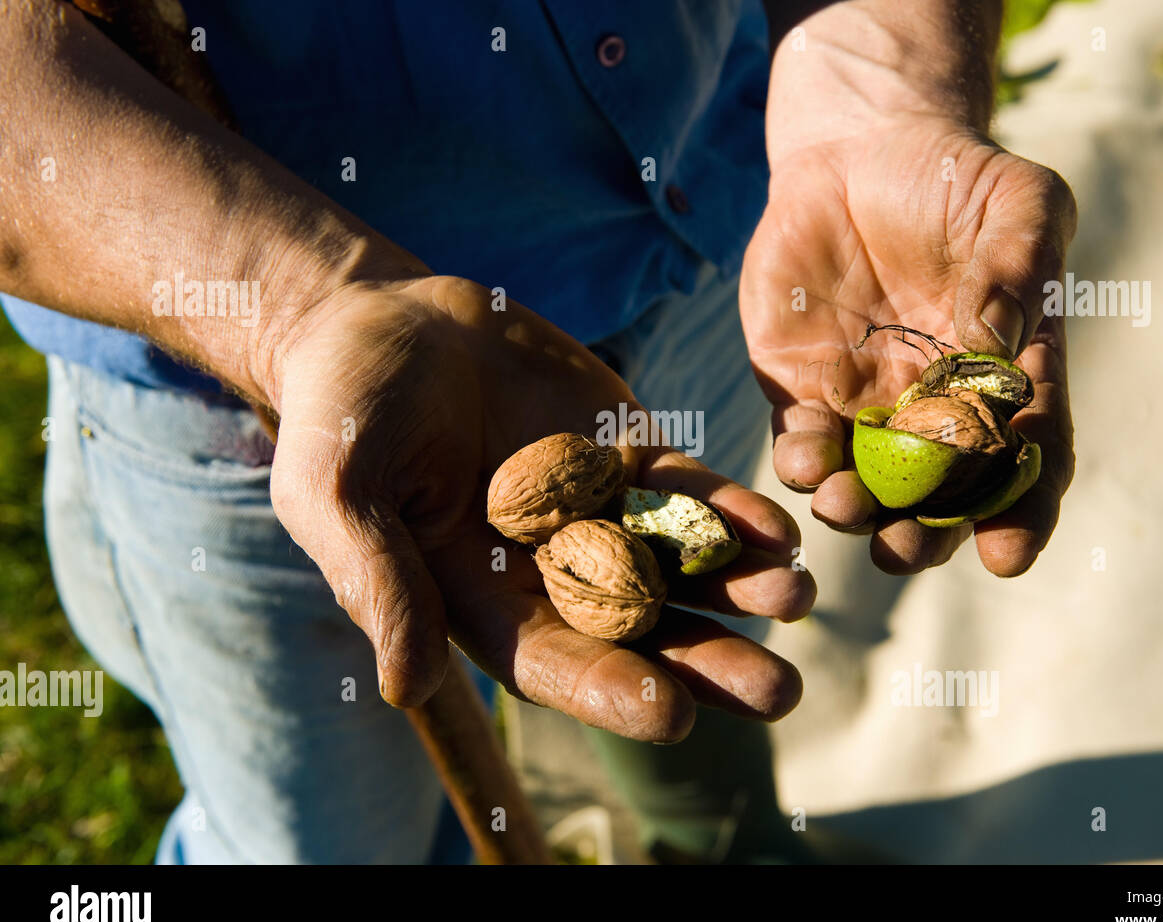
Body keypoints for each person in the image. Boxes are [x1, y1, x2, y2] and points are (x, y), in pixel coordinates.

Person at [0, 0, 1076, 863]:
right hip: (257, 384)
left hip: (735, 241)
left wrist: (880, 88)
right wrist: (300, 305)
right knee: (322, 840)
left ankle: (712, 843)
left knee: (704, 627)